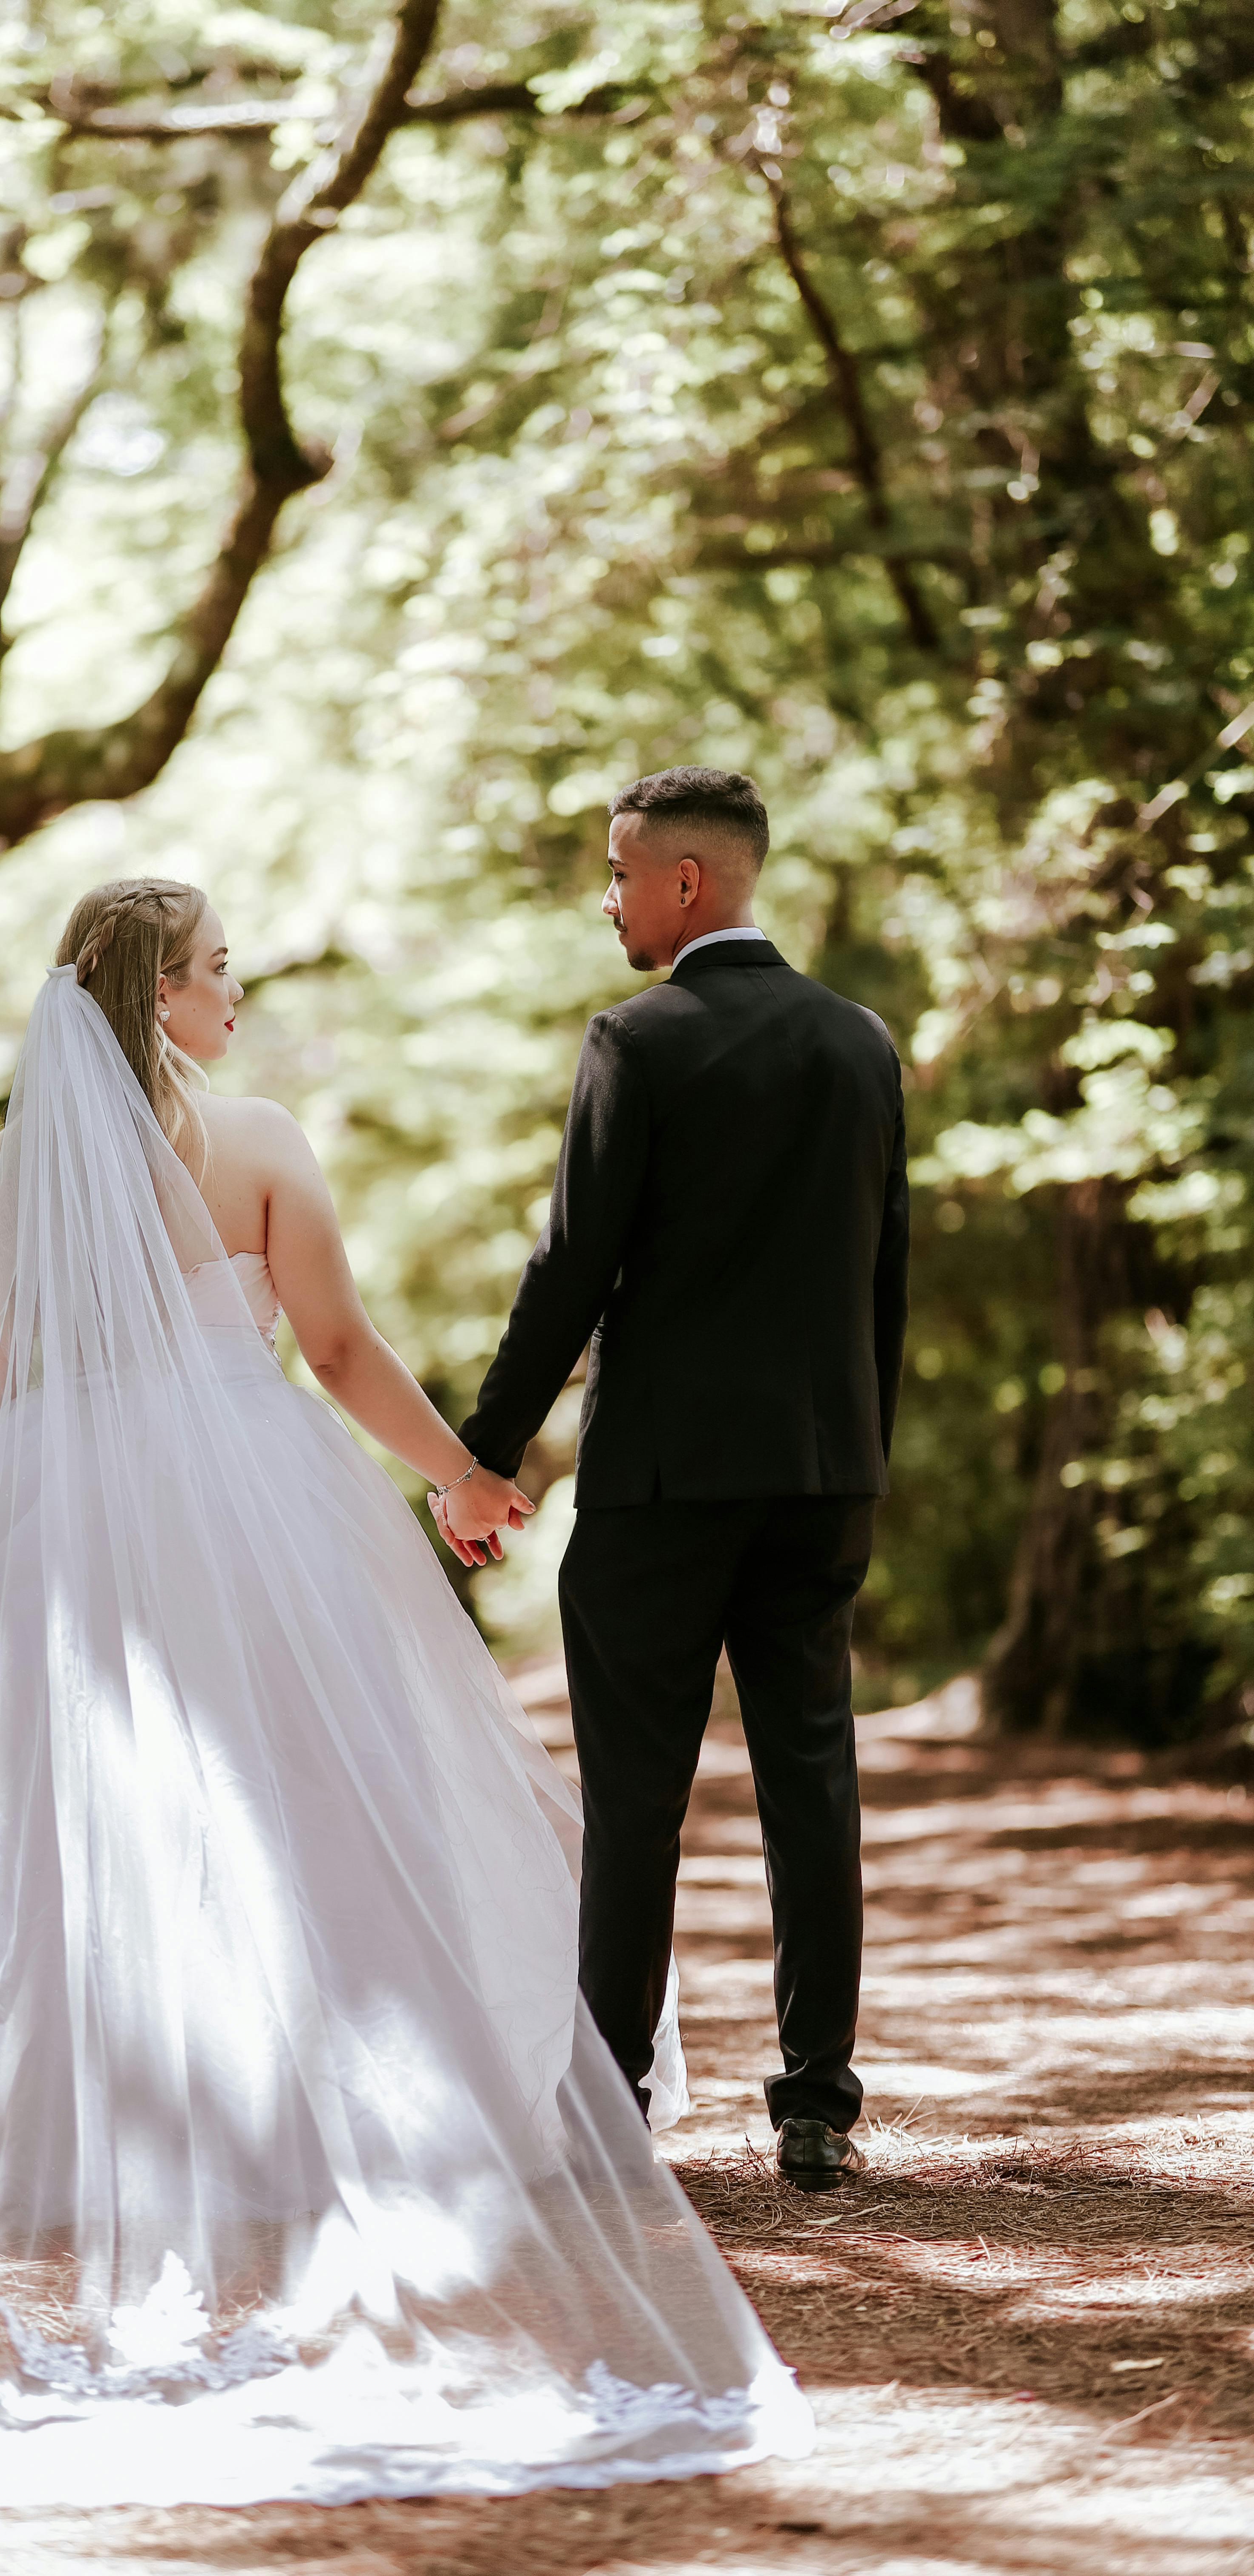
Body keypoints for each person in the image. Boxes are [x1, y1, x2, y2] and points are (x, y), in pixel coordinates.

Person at [0, 876, 811, 2507]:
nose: (237, 998)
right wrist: (467, 1480)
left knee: (87, 1821)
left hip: (62, 1513)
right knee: (321, 1796)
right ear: (156, 1000)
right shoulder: (260, 1143)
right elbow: (339, 1353)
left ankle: (103, 2130)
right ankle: (316, 2122)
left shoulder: (11, 1176)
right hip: (256, 1502)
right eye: (218, 974)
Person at [444, 769, 908, 2194]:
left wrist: (483, 1454)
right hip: (821, 1473)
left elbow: (572, 1269)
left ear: (687, 885)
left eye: (618, 873)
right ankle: (817, 2103)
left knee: (638, 1796)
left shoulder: (635, 1042)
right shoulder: (861, 1046)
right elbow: (884, 1275)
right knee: (810, 1777)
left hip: (658, 1482)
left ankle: (612, 2105)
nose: (608, 898)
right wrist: (860, 1451)